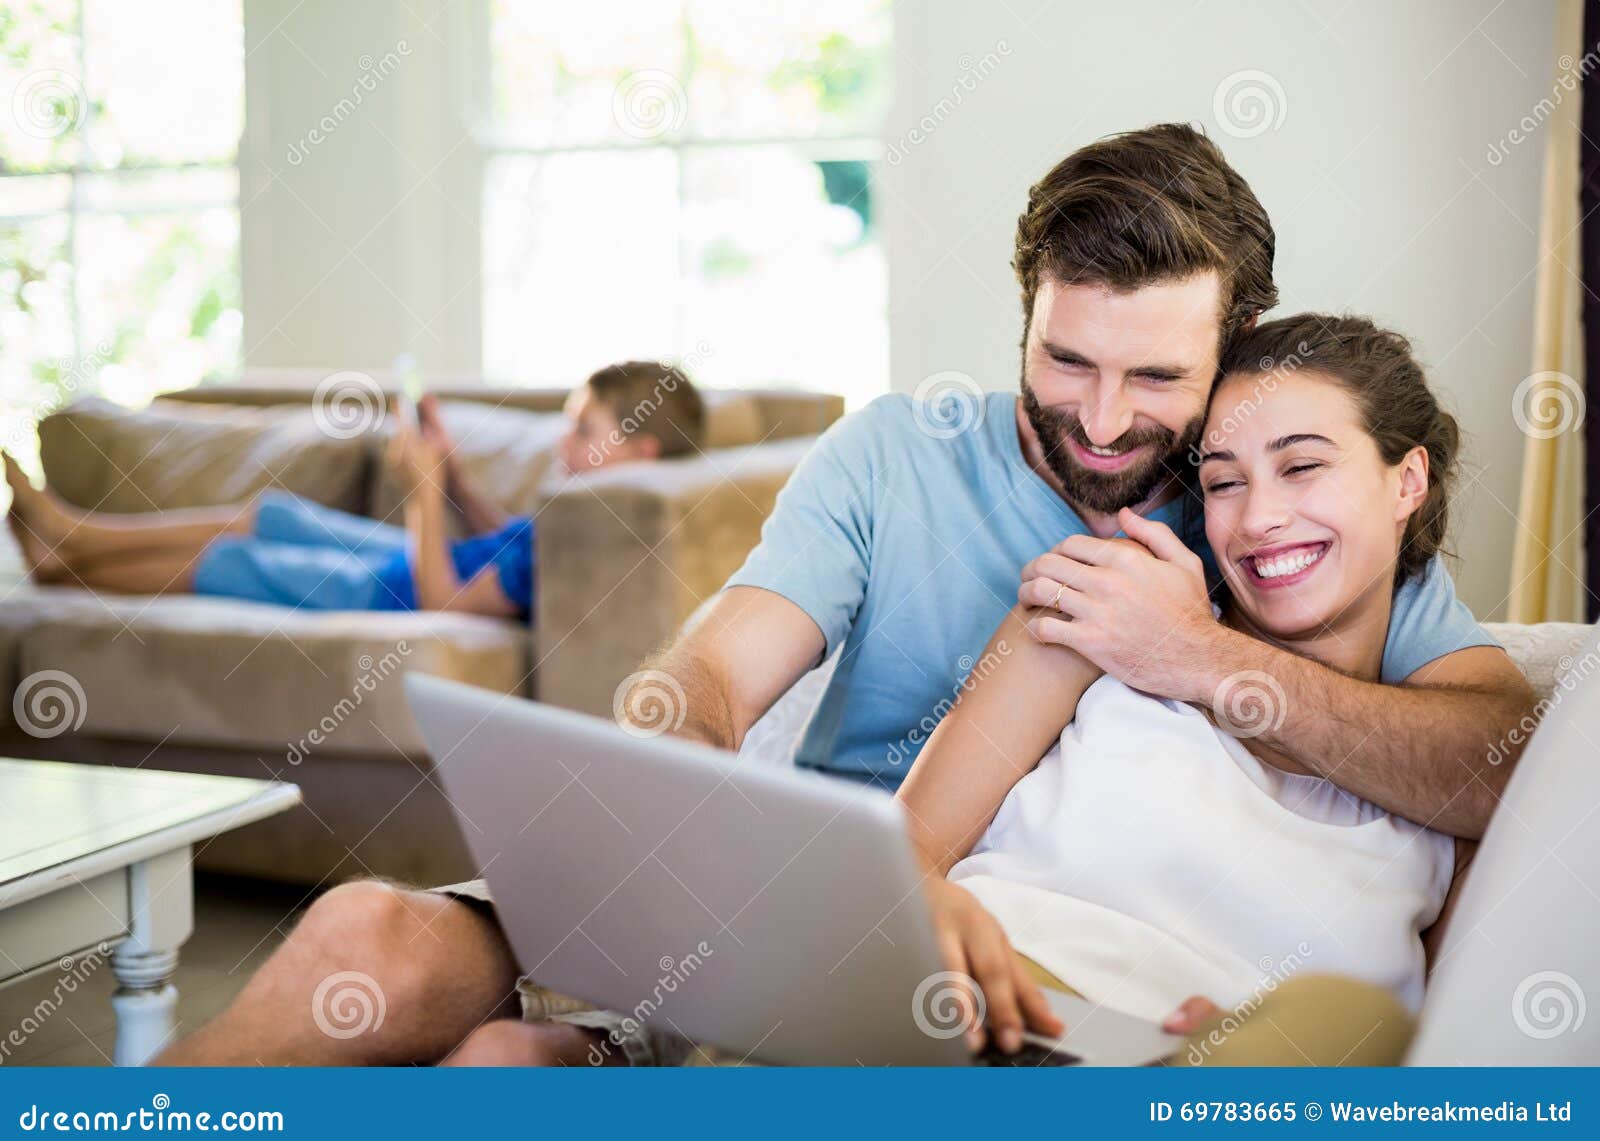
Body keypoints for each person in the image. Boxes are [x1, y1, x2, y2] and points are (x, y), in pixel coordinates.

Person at [151, 124, 1536, 1068]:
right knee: (362, 938)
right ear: (1026, 313)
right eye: (1066, 360)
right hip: (772, 893)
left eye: (1159, 381)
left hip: (964, 970)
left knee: (511, 1061)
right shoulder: (893, 453)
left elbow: (1481, 767)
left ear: (1226, 355)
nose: (1105, 421)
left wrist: (1190, 651)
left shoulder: (1261, 527)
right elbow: (711, 675)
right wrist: (683, 771)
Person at [899, 313, 1469, 1063]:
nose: (1259, 518)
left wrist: (1251, 1038)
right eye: (1225, 482)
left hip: (1198, 1083)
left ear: (1409, 480)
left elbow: (1464, 1048)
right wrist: (925, 908)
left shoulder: (1452, 786)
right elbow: (897, 852)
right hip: (972, 1018)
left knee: (1348, 1016)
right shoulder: (1101, 613)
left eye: (1301, 466)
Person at [4, 361, 703, 621]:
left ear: (640, 450)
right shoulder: (588, 512)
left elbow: (448, 601)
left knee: (236, 562)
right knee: (273, 515)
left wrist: (425, 496)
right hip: (406, 562)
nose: (564, 442)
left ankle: (68, 560)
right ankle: (76, 536)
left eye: (584, 430)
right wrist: (455, 477)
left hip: (393, 589)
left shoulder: (603, 541)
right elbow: (502, 540)